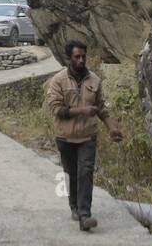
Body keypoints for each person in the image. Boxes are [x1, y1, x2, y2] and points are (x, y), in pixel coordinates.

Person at [45, 38, 123, 232]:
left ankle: (84, 215)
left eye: (83, 57)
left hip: (88, 136)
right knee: (71, 174)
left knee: (85, 173)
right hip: (65, 137)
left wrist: (112, 127)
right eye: (77, 57)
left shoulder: (94, 80)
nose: (81, 60)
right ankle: (74, 205)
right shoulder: (58, 80)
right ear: (69, 58)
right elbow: (56, 109)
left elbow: (101, 108)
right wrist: (82, 110)